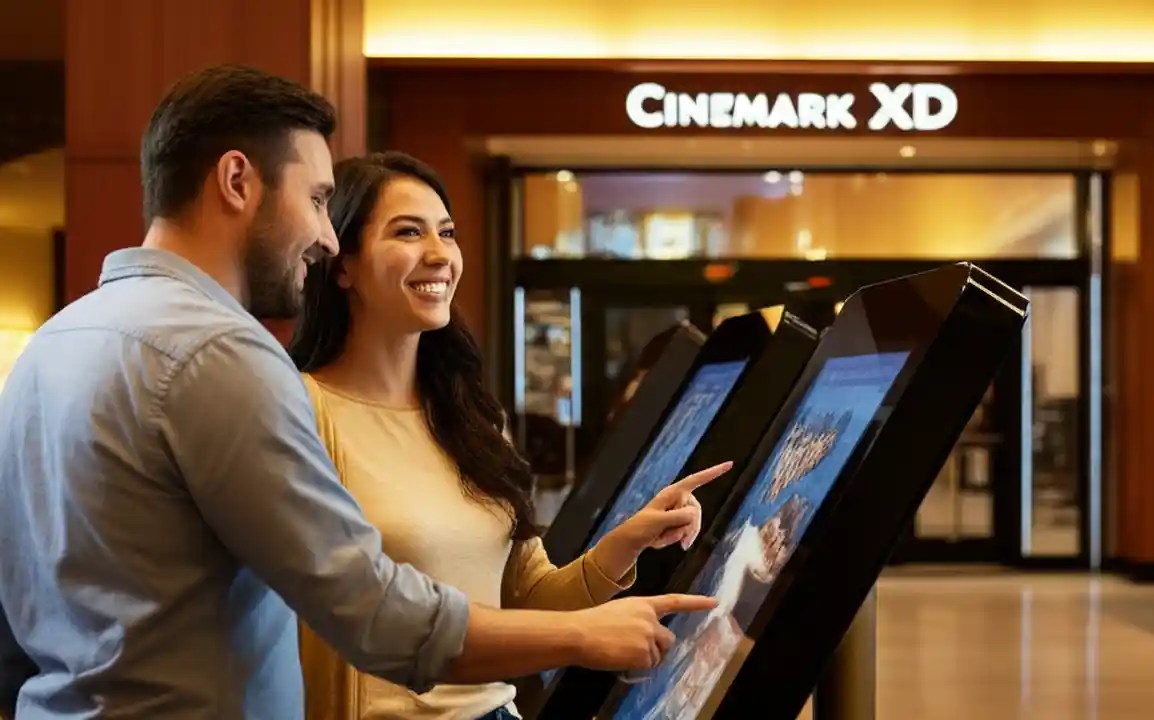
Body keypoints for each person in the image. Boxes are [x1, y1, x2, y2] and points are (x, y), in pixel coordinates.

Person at [0, 64, 713, 720]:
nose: (322, 233)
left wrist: (605, 571)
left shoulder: (53, 345)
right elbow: (369, 610)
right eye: (315, 199)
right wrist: (581, 636)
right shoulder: (222, 355)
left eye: (447, 232)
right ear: (237, 180)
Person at [287, 150, 732, 720]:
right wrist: (582, 636)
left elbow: (529, 597)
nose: (439, 255)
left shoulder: (470, 417)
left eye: (447, 233)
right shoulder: (303, 409)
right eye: (408, 232)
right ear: (342, 264)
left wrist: (628, 542)